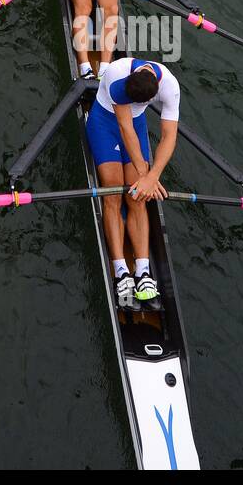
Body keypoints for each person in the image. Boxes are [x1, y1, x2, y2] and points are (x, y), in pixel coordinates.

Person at [85, 56, 179, 307]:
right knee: (113, 193)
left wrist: (153, 176)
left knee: (138, 197)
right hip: (105, 124)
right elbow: (124, 129)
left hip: (136, 126)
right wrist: (143, 174)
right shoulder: (117, 73)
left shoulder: (170, 85)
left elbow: (169, 136)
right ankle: (120, 271)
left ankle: (143, 271)